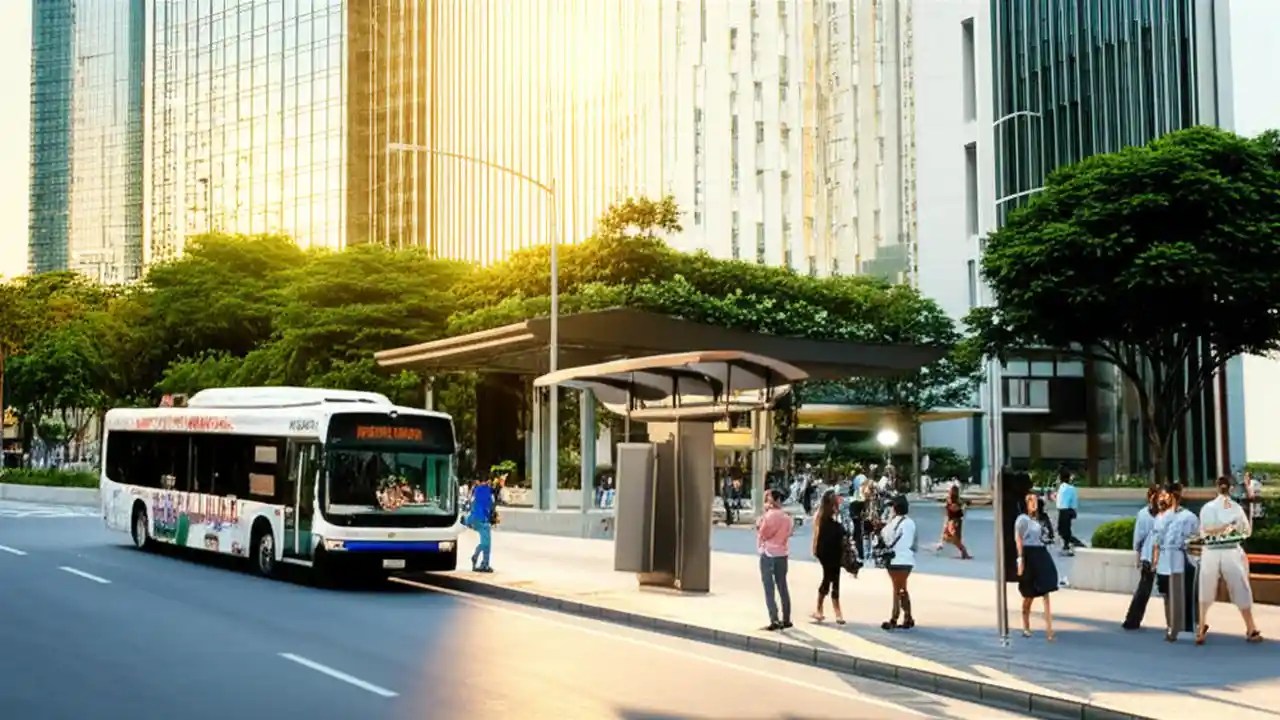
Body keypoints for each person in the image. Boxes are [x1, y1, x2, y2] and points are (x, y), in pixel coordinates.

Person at [1197, 475, 1263, 644]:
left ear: (1217, 487)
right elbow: (1247, 532)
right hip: (1230, 550)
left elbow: (1204, 530)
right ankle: (1250, 628)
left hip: (1211, 551)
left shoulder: (1207, 508)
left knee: (1205, 588)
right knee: (1240, 588)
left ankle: (1201, 627)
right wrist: (1229, 528)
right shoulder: (1235, 508)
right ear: (1231, 488)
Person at [1152, 483, 1199, 642]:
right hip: (1164, 561)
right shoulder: (1159, 517)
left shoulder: (1189, 517)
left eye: (1167, 495)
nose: (1163, 498)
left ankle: (1178, 627)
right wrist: (1155, 561)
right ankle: (1169, 625)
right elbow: (1156, 541)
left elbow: (1196, 539)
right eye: (1161, 495)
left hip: (1180, 560)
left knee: (1178, 595)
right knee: (1166, 595)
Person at [1015, 491, 1058, 640]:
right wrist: (1020, 559)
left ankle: (1049, 630)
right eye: (1030, 501)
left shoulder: (1039, 520)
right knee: (1029, 594)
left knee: (1046, 587)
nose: (1034, 505)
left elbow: (1046, 536)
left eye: (1035, 501)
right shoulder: (1022, 519)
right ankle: (1026, 626)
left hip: (1040, 553)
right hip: (1028, 553)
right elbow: (1018, 539)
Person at [1123, 484, 1163, 630]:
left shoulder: (1143, 514)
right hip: (1163, 555)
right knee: (1169, 590)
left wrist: (1138, 556)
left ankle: (1132, 620)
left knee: (1143, 589)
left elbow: (1138, 539)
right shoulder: (1165, 514)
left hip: (1147, 555)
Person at [756, 488, 794, 631]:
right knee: (783, 586)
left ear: (775, 500)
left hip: (768, 553)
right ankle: (787, 619)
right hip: (782, 554)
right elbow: (789, 533)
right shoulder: (787, 517)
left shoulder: (769, 516)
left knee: (769, 588)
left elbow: (762, 533)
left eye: (769, 498)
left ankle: (774, 619)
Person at [879, 495, 918, 631]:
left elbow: (885, 538)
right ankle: (908, 617)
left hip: (895, 561)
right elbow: (914, 543)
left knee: (897, 590)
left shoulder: (892, 524)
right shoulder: (911, 523)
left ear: (894, 508)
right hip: (908, 560)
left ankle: (894, 618)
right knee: (902, 588)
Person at [811, 490, 847, 624]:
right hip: (831, 550)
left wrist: (814, 549)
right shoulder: (825, 516)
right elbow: (818, 533)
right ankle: (834, 611)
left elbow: (816, 534)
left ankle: (822, 609)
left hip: (827, 550)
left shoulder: (821, 515)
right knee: (831, 578)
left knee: (830, 578)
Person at [934, 484, 972, 559]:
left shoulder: (956, 500)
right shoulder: (952, 500)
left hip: (955, 521)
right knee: (947, 536)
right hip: (951, 520)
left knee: (954, 537)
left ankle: (964, 552)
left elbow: (955, 509)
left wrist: (961, 507)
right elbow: (952, 509)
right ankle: (941, 548)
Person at [468, 475, 496, 573]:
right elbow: (489, 506)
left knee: (485, 542)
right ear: (488, 481)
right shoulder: (486, 490)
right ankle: (482, 562)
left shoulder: (476, 490)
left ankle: (482, 562)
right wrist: (492, 518)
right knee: (486, 543)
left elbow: (472, 505)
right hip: (483, 519)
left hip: (476, 519)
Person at [1055, 469, 1085, 556]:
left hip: (1066, 510)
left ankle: (1070, 545)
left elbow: (1071, 500)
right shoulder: (1064, 487)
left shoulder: (1067, 488)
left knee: (1064, 530)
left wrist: (1073, 510)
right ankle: (1070, 544)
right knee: (1063, 530)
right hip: (1064, 510)